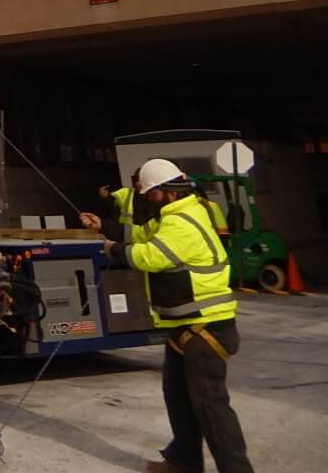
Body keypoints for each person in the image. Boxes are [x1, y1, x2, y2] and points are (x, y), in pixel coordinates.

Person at [103, 158, 253, 473]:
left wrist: (115, 250)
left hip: (205, 327)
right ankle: (184, 461)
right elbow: (143, 235)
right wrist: (106, 229)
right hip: (186, 325)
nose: (148, 201)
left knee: (210, 405)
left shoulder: (180, 222)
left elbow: (151, 255)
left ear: (169, 191)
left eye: (152, 195)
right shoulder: (175, 215)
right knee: (178, 395)